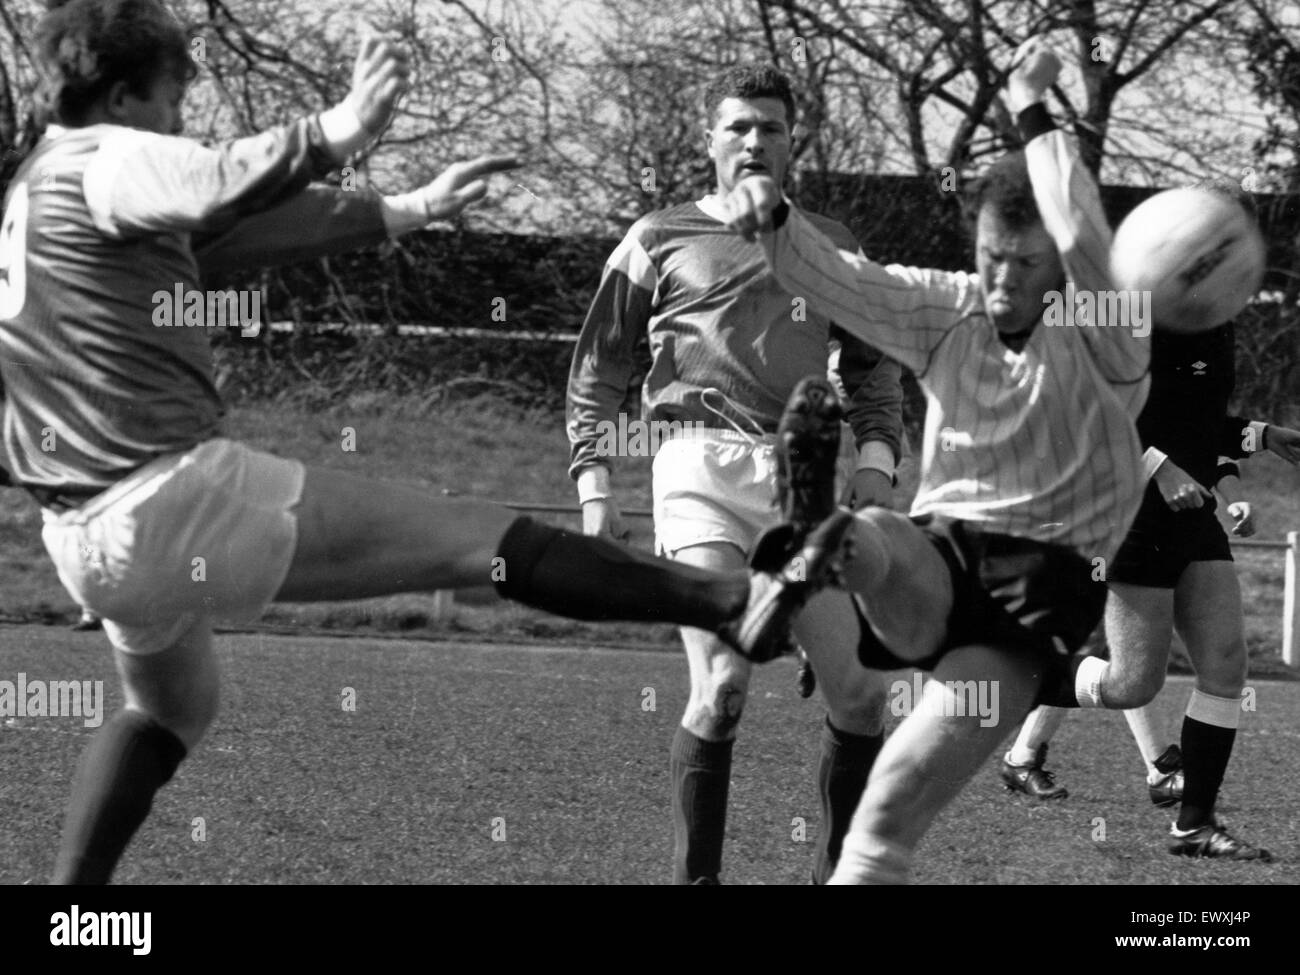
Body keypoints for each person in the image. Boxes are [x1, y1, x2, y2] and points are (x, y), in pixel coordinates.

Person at [0, 0, 847, 884]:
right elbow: (217, 180)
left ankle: (71, 913)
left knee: (172, 708)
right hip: (170, 495)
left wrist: (407, 208)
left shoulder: (37, 186)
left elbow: (236, 232)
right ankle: (731, 600)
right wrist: (338, 128)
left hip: (82, 535)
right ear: (131, 93)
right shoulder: (117, 155)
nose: (181, 117)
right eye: (177, 93)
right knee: (478, 541)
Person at [716, 38, 1160, 883]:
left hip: (1034, 595)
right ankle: (819, 537)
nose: (1001, 276)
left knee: (885, 811)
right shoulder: (949, 311)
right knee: (880, 530)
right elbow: (851, 281)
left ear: (1061, 266)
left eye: (1026, 263)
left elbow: (1078, 216)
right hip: (943, 549)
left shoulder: (1109, 329)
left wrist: (1034, 106)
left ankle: (821, 547)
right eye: (991, 253)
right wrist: (771, 216)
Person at [567, 63, 905, 885]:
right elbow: (598, 369)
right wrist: (597, 489)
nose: (755, 141)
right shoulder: (656, 237)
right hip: (694, 468)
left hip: (805, 483)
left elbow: (874, 369)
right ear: (710, 139)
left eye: (772, 128)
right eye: (739, 127)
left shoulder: (834, 245)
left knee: (861, 697)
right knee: (720, 686)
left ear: (794, 144)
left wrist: (875, 464)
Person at [1003, 302, 1299, 858]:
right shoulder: (1132, 315)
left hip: (1191, 516)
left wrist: (1260, 434)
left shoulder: (1218, 322)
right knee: (1132, 685)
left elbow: (1198, 425)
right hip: (1131, 514)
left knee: (1226, 665)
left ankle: (1194, 826)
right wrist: (1157, 467)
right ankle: (1009, 675)